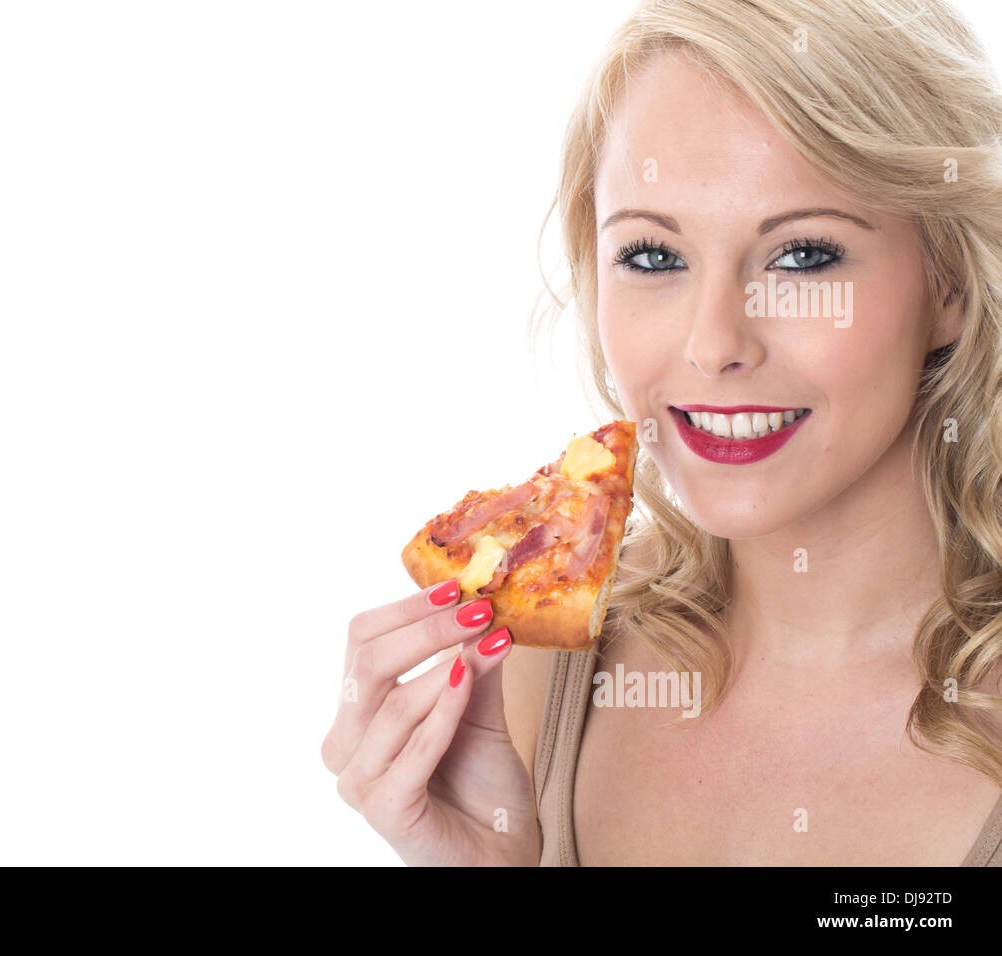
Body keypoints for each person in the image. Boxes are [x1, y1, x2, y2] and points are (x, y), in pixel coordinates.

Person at [321, 0, 1002, 866]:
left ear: (950, 284)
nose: (713, 344)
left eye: (802, 257)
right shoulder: (538, 670)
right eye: (654, 257)